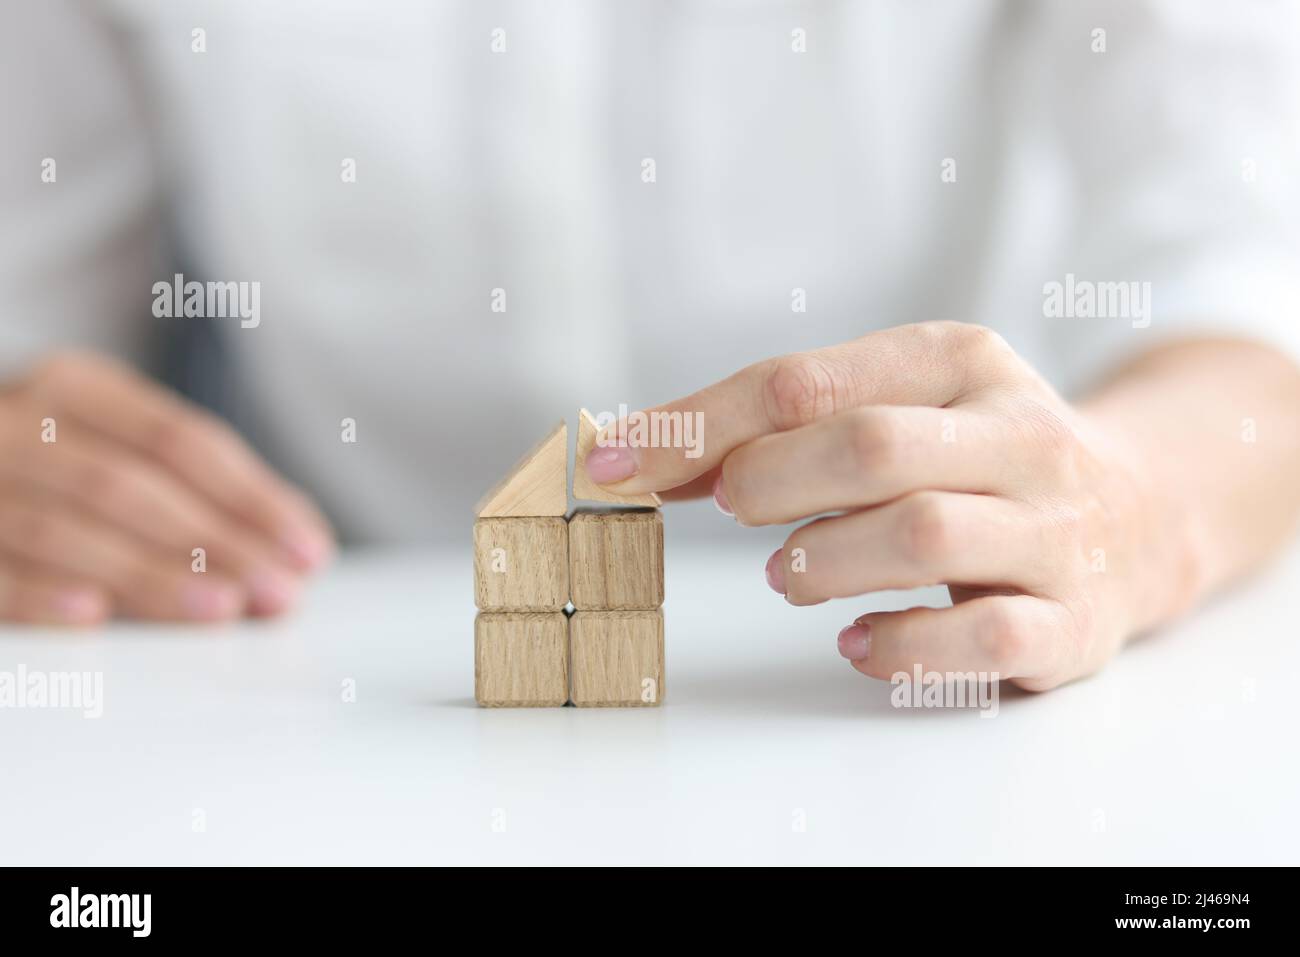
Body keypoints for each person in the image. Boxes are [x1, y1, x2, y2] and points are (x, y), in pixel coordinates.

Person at [1, 2, 1297, 692]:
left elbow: (1253, 287)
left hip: (942, 646)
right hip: (341, 657)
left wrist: (1141, 497)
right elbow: (28, 314)